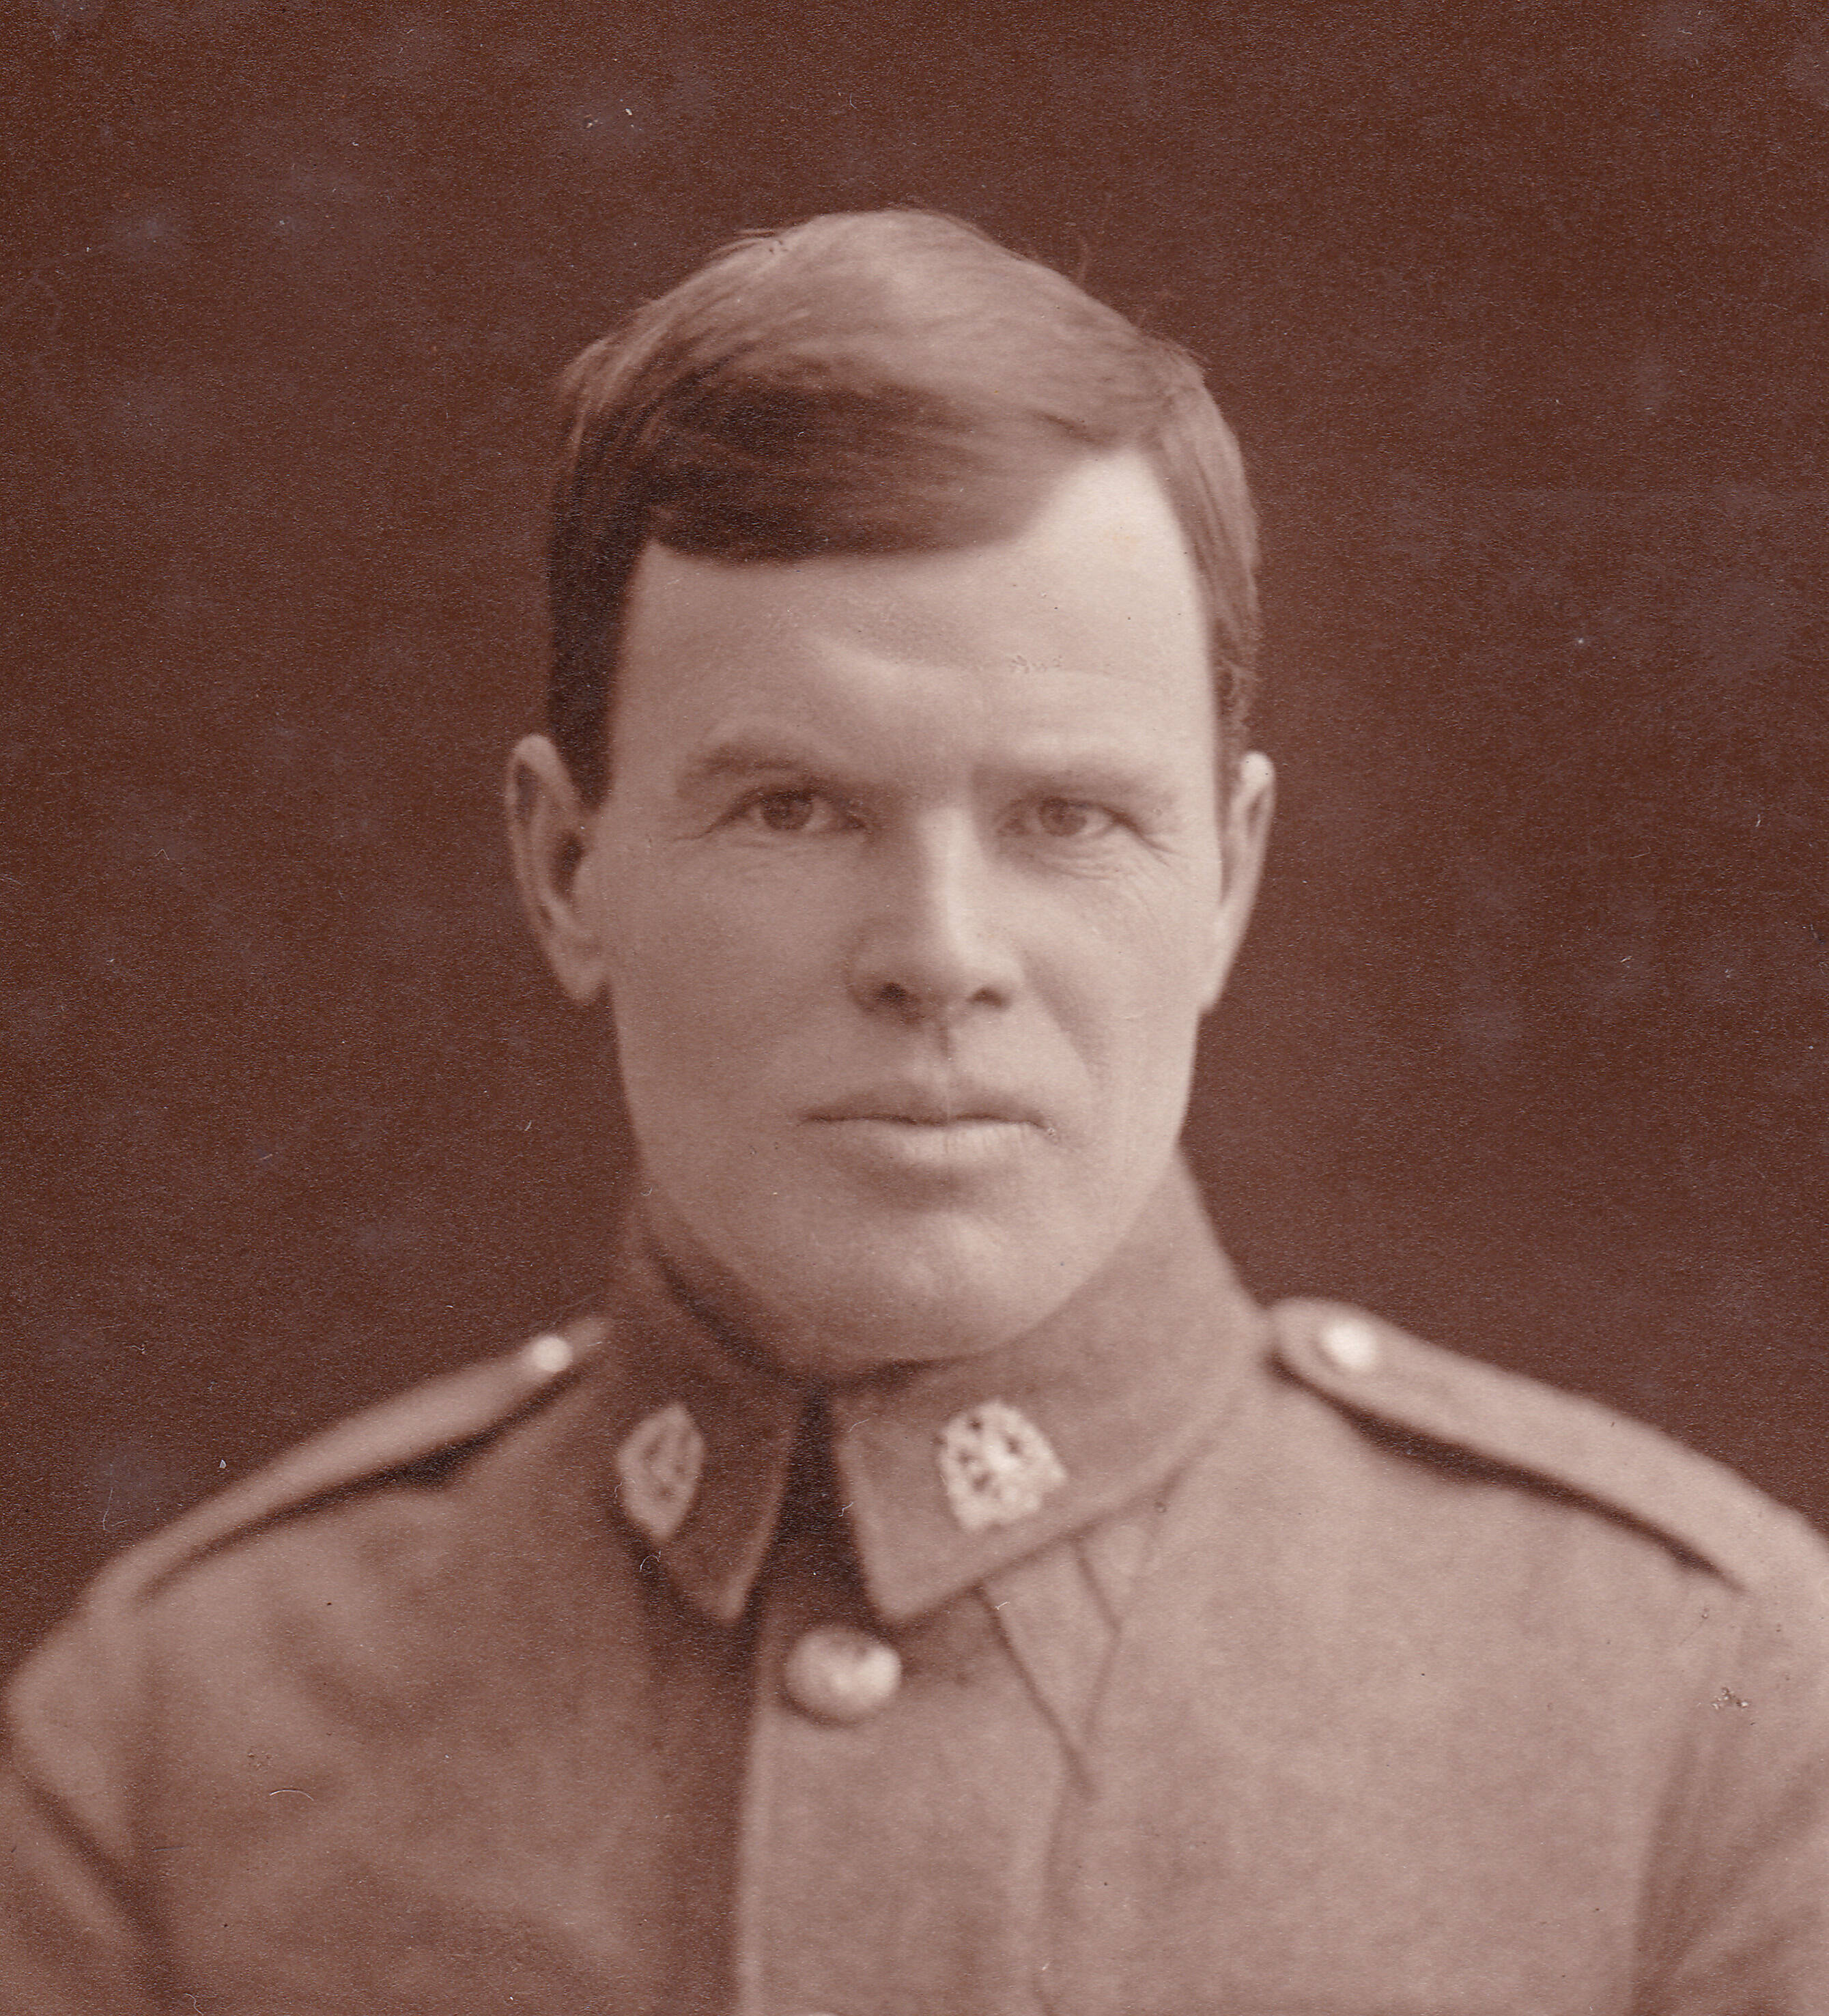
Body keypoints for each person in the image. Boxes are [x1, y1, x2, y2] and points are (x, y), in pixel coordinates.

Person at [3, 210, 1825, 2016]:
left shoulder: (1706, 1712)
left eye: (1069, 818)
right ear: (566, 870)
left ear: (1229, 881)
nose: (940, 954)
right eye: (795, 807)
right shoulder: (174, 1749)